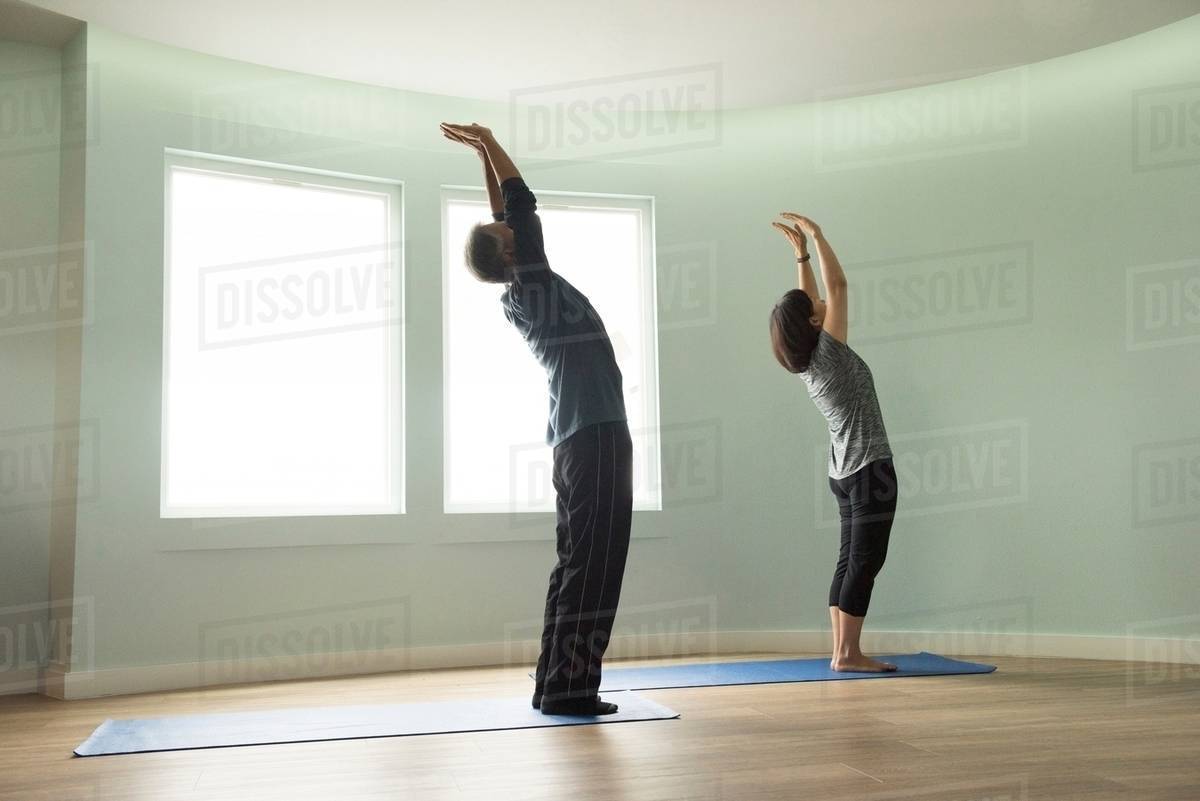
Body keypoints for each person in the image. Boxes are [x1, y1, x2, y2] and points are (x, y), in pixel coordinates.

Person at [441, 122, 633, 714]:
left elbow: (506, 212)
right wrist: (491, 141)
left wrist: (482, 159)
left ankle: (554, 684)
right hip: (594, 435)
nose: (514, 227)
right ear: (511, 252)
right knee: (595, 564)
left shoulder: (526, 291)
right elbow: (520, 206)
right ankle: (572, 688)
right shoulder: (536, 286)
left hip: (577, 441)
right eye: (508, 233)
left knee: (577, 561)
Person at [769, 213, 899, 672]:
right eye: (813, 305)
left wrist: (801, 255)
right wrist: (821, 237)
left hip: (844, 473)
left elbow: (811, 299)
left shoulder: (809, 361)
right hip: (869, 470)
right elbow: (839, 288)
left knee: (849, 561)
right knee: (866, 562)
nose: (821, 302)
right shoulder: (829, 353)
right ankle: (848, 653)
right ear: (812, 322)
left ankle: (841, 650)